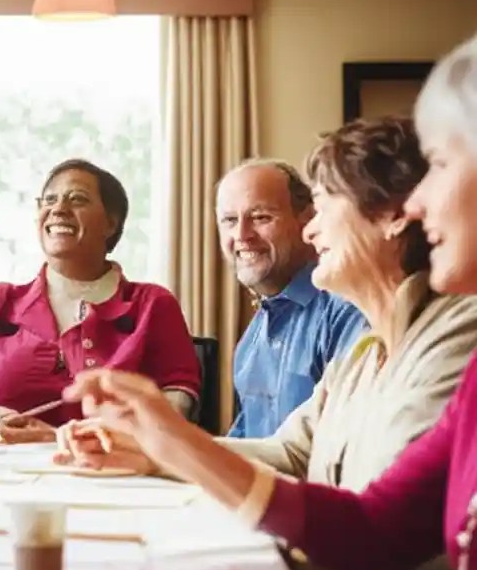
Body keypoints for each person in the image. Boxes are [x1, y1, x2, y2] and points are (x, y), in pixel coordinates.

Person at [74, 33, 477, 570]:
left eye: (441, 165)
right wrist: (163, 443)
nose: (420, 202)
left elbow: (370, 526)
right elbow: (372, 525)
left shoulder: (458, 333)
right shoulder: (371, 351)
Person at [58, 117, 477, 496]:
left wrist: (166, 439)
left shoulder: (457, 333)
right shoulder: (365, 354)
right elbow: (289, 454)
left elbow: (380, 523)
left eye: (324, 205)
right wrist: (150, 448)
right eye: (228, 220)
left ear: (393, 216)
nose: (312, 230)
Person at [0, 158, 200, 442]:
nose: (58, 209)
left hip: (112, 469)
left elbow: (179, 397)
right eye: (49, 200)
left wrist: (106, 436)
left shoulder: (153, 304)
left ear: (110, 223)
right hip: (4, 470)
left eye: (77, 199)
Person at [217, 160, 366, 438]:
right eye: (229, 221)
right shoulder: (250, 342)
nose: (241, 235)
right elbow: (242, 443)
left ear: (307, 219)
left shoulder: (348, 312)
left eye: (260, 217)